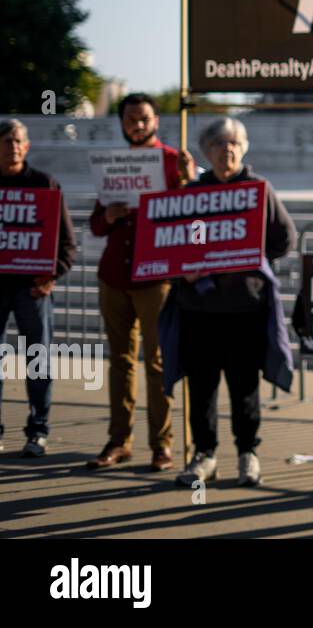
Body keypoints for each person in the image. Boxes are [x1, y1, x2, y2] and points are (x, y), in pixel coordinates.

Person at [161, 117, 297, 488]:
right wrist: (183, 267)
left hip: (244, 307)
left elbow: (285, 239)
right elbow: (170, 244)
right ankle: (204, 454)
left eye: (235, 143)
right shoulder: (192, 192)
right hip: (198, 308)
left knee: (244, 387)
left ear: (244, 148)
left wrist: (250, 255)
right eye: (220, 144)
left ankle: (247, 453)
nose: (228, 150)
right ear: (208, 151)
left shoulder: (258, 189)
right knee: (201, 386)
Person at [86, 93, 195, 472]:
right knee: (120, 362)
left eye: (144, 118)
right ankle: (119, 441)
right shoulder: (114, 163)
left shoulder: (170, 161)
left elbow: (190, 213)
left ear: (156, 121)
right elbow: (96, 224)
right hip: (115, 274)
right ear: (121, 123)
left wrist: (189, 179)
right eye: (131, 119)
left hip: (157, 276)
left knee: (158, 363)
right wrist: (111, 216)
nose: (137, 124)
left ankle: (161, 444)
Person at [0, 119, 76, 457]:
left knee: (38, 360)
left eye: (17, 141)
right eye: (5, 141)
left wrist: (52, 276)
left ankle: (38, 431)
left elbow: (68, 244)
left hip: (33, 289)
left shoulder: (45, 184)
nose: (12, 147)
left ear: (27, 146)